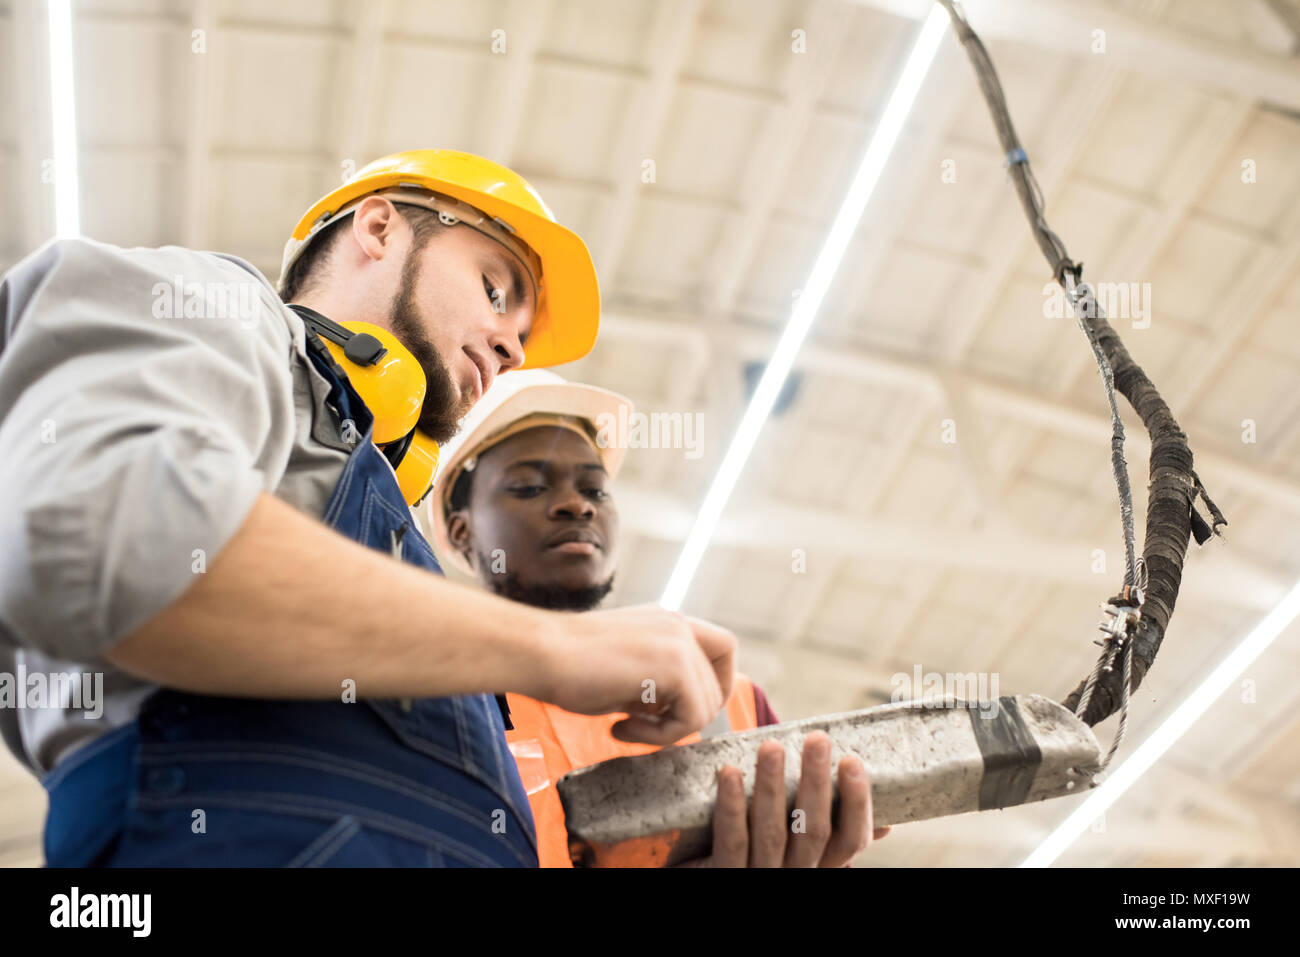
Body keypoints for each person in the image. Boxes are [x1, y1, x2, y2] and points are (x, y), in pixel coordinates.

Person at [0, 149, 736, 867]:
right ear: (378, 229)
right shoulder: (211, 307)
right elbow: (106, 537)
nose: (511, 346)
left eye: (518, 345)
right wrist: (558, 647)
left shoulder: (400, 562)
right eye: (495, 288)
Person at [424, 370, 889, 867]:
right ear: (462, 529)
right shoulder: (427, 695)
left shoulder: (729, 702)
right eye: (528, 487)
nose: (575, 504)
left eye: (595, 490)